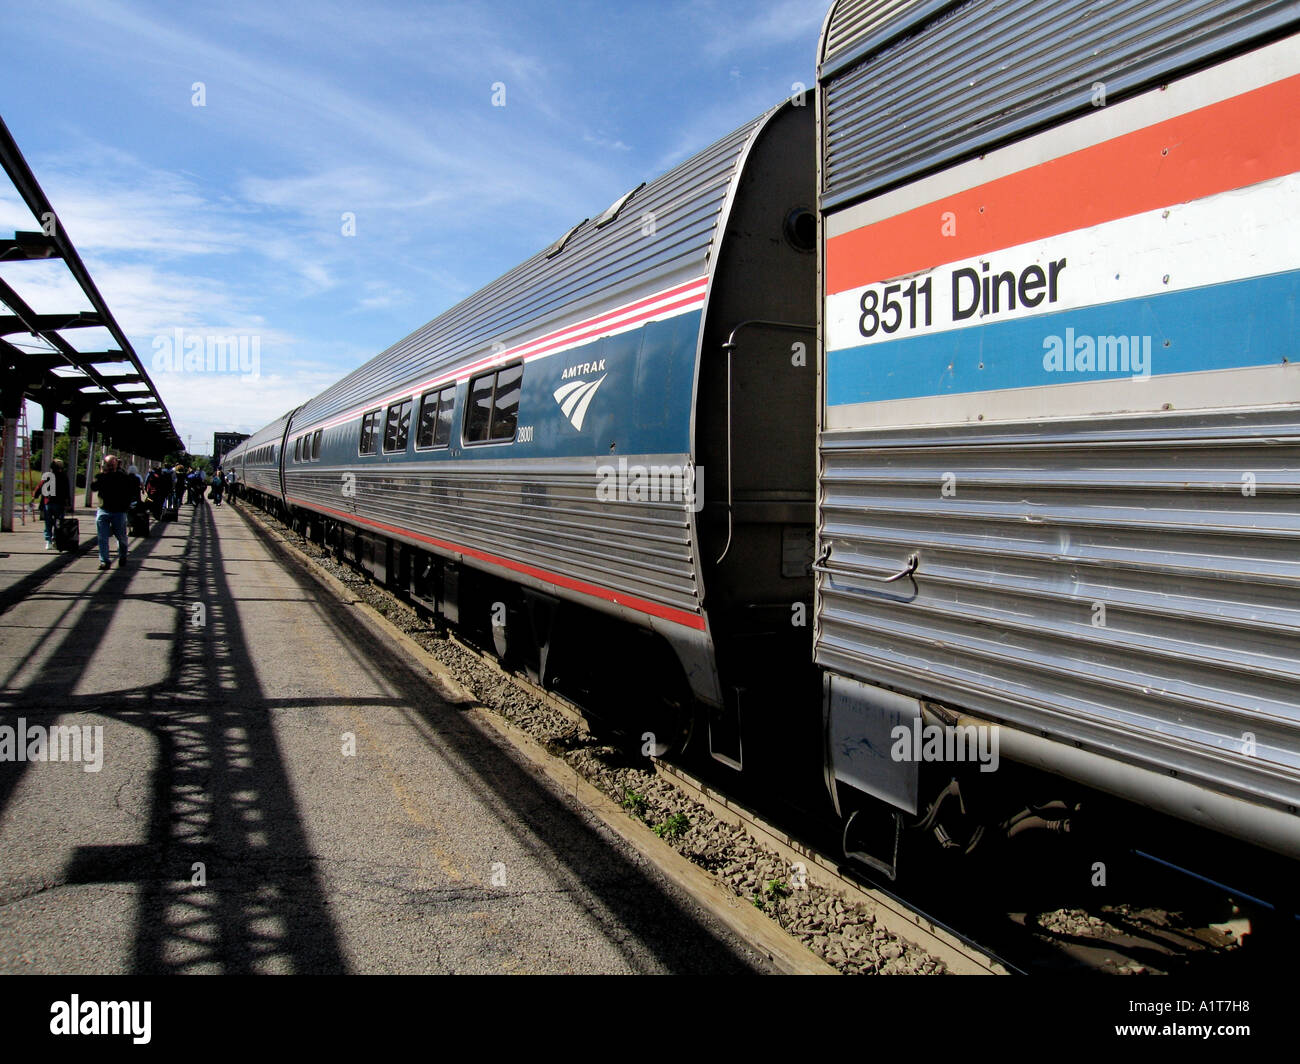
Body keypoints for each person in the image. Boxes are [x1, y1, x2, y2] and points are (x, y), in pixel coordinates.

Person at [90, 454, 140, 570]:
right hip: (103, 510)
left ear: (117, 464)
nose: (110, 466)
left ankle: (122, 555)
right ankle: (104, 561)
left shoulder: (123, 477)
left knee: (121, 537)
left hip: (118, 511)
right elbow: (93, 487)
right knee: (102, 537)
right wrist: (101, 473)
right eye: (108, 464)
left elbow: (130, 491)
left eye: (112, 464)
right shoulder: (102, 476)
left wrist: (126, 505)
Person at [32, 458, 71, 550]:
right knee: (58, 523)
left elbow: (40, 487)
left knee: (48, 523)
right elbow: (66, 491)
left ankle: (48, 541)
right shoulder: (64, 477)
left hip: (48, 503)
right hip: (60, 503)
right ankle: (56, 540)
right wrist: (68, 503)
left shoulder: (47, 476)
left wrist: (35, 496)